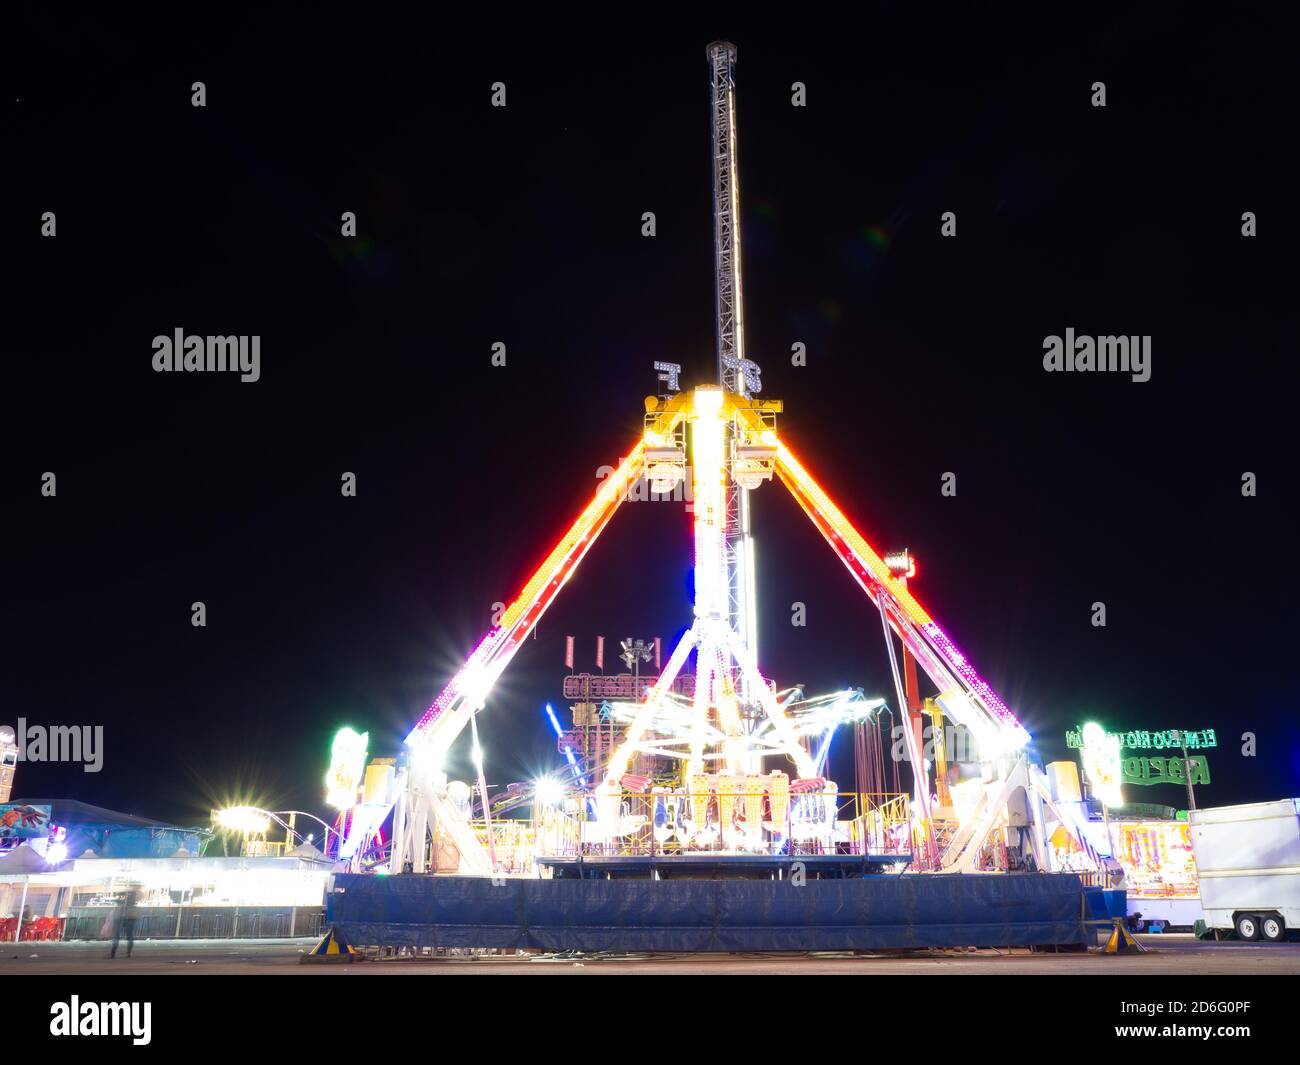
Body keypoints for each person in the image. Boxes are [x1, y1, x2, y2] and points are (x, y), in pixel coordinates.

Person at [109, 886, 139, 959]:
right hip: (130, 917)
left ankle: (113, 953)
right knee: (129, 937)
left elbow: (116, 904)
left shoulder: (120, 899)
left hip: (120, 917)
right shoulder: (133, 899)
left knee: (116, 936)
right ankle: (128, 953)